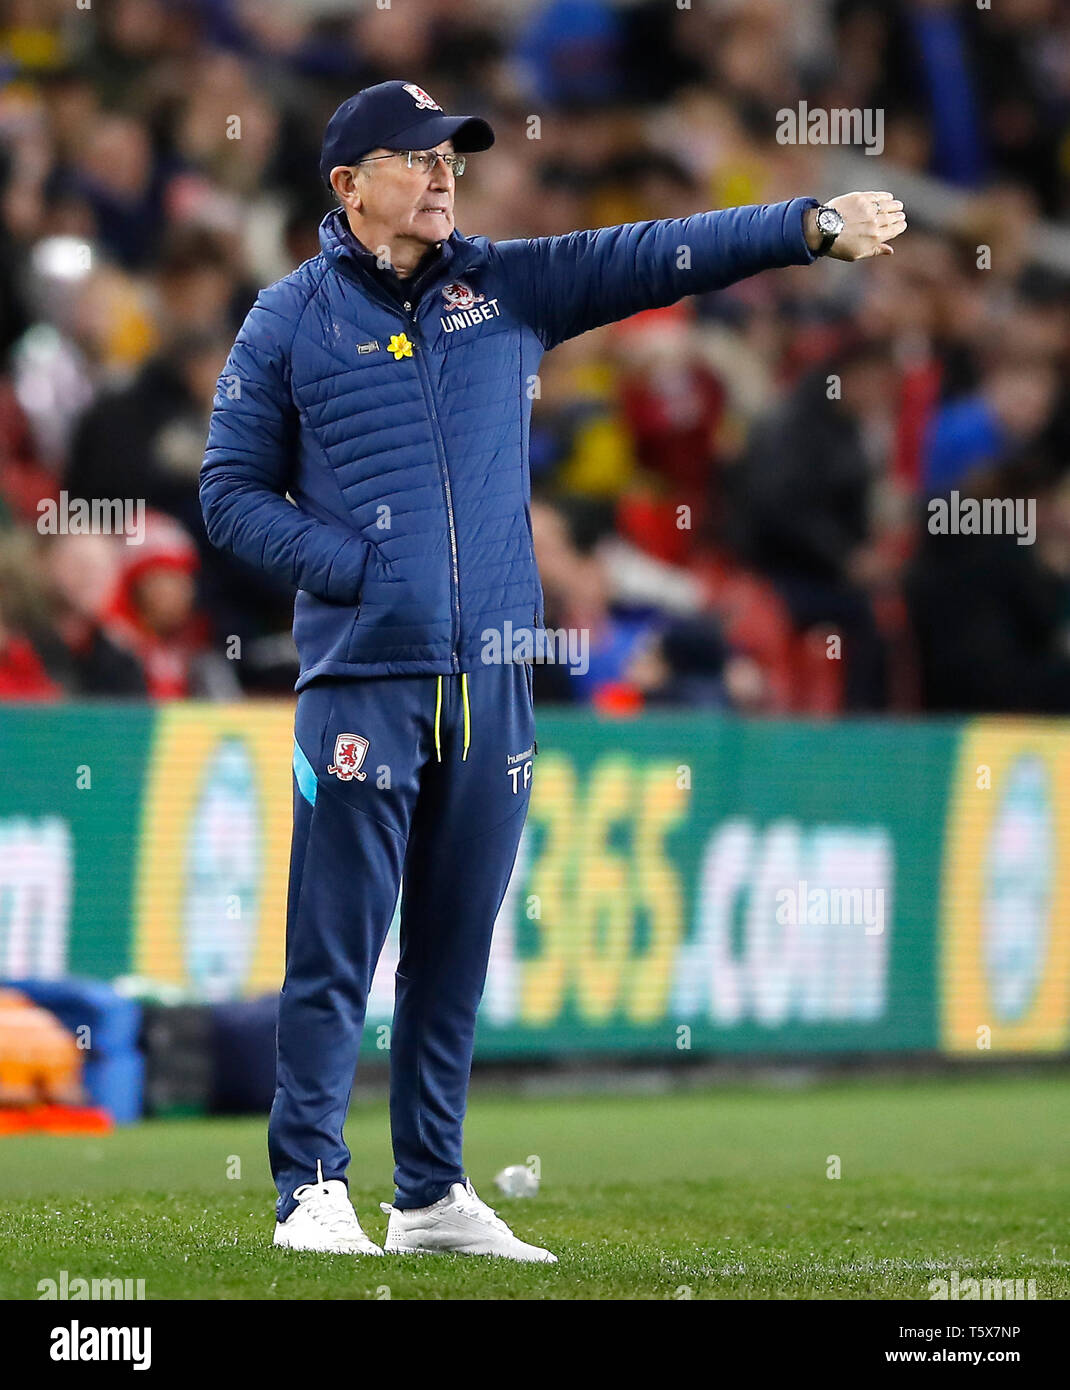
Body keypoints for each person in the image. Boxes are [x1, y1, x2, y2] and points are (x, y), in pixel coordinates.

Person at [199, 79, 906, 1261]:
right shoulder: (286, 318)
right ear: (345, 184)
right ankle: (308, 1187)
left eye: (452, 158)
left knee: (454, 948)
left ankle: (426, 1194)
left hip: (494, 680)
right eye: (417, 157)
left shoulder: (504, 288)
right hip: (365, 678)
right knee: (335, 948)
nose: (442, 174)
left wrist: (800, 224)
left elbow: (655, 253)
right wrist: (360, 568)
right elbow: (226, 492)